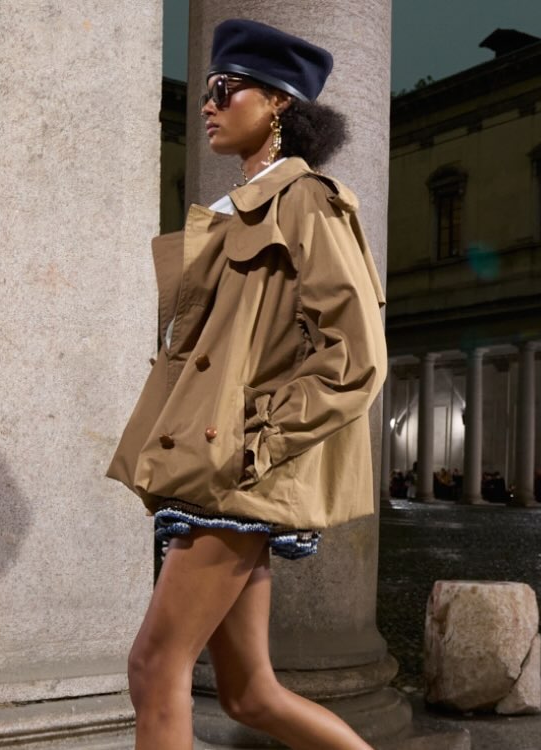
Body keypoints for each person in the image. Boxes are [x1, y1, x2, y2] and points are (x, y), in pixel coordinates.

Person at [105, 19, 385, 749]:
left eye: (226, 89)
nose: (209, 103)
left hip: (235, 472)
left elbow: (356, 355)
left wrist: (259, 441)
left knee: (154, 668)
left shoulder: (308, 200)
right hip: (215, 463)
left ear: (279, 103)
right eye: (207, 89)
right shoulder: (241, 208)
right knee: (248, 693)